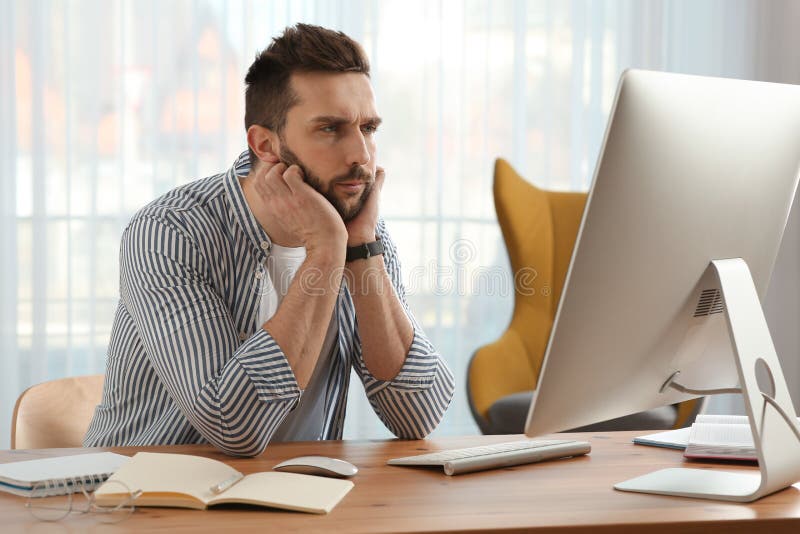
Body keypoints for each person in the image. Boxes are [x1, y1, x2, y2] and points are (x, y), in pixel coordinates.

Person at [84, 23, 455, 456]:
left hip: (296, 499)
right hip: (150, 502)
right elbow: (232, 426)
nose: (362, 156)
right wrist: (325, 252)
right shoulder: (169, 232)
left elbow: (418, 414)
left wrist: (359, 250)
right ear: (264, 144)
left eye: (368, 128)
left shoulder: (358, 230)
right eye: (331, 129)